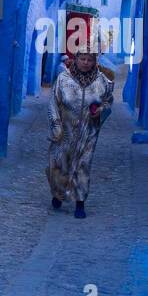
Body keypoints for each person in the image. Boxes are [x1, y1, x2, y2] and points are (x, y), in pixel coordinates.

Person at [47, 50, 115, 218]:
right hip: (65, 131)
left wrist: (101, 110)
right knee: (59, 164)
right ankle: (58, 193)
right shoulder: (63, 80)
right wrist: (56, 125)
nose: (85, 62)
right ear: (75, 60)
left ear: (94, 62)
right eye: (82, 59)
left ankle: (80, 203)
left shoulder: (101, 81)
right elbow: (53, 103)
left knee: (83, 166)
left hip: (88, 132)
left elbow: (108, 101)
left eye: (89, 60)